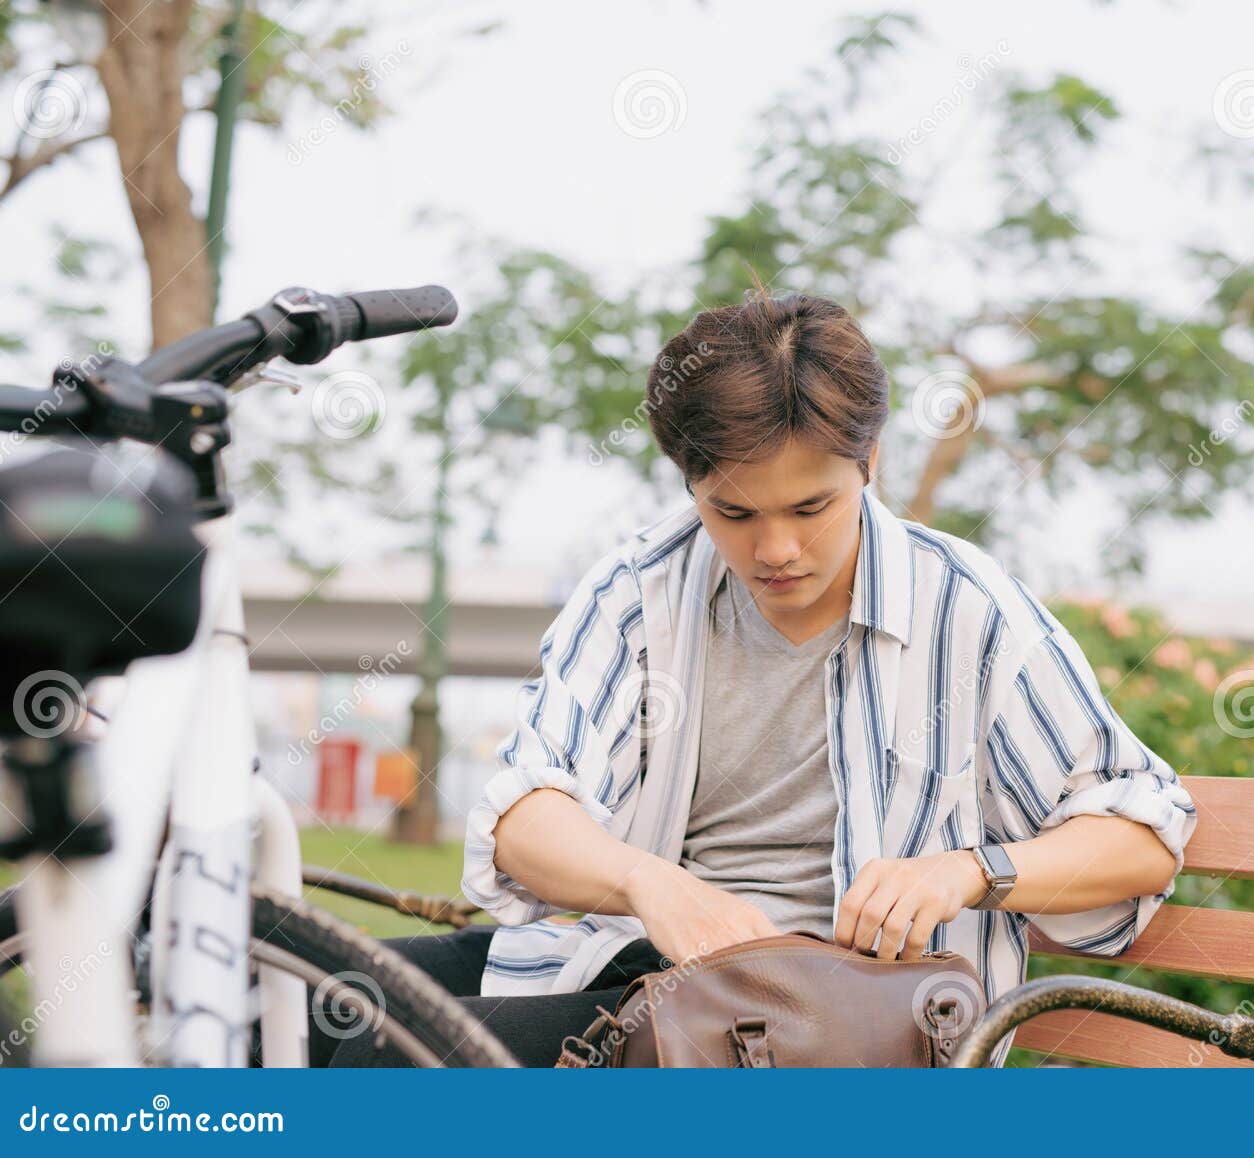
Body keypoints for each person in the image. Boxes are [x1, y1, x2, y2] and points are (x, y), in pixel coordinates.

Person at [319, 287, 1197, 1067]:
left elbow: (1142, 829)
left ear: (870, 461)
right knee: (290, 997)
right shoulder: (643, 588)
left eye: (811, 508)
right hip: (644, 967)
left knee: (375, 1056)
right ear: (688, 481)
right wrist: (648, 884)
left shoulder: (967, 608)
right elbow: (524, 814)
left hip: (845, 1022)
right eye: (732, 512)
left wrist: (965, 872)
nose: (774, 551)